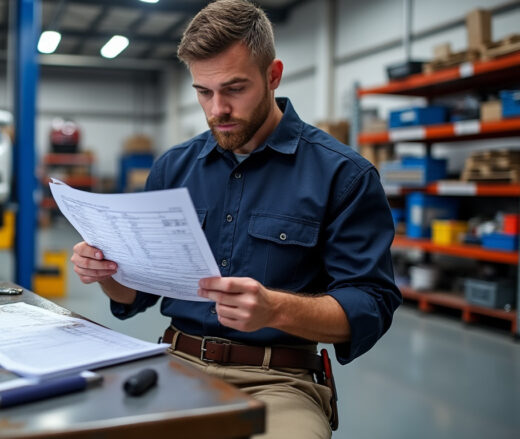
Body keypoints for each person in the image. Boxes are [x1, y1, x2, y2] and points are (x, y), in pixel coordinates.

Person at [70, 0, 401, 437]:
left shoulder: (343, 175)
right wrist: (105, 271)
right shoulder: (174, 169)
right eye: (203, 92)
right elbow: (134, 294)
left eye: (234, 88)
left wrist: (274, 308)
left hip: (279, 382)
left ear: (273, 76)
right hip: (175, 364)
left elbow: (370, 305)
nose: (217, 109)